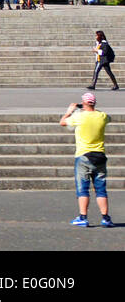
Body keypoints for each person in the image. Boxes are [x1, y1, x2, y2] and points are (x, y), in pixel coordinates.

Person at [60, 93, 113, 227]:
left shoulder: (79, 117)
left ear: (84, 104)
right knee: (101, 189)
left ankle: (83, 217)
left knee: (83, 189)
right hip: (100, 156)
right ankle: (105, 218)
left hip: (83, 155)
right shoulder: (102, 116)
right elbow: (108, 118)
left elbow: (62, 122)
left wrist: (69, 112)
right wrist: (90, 108)